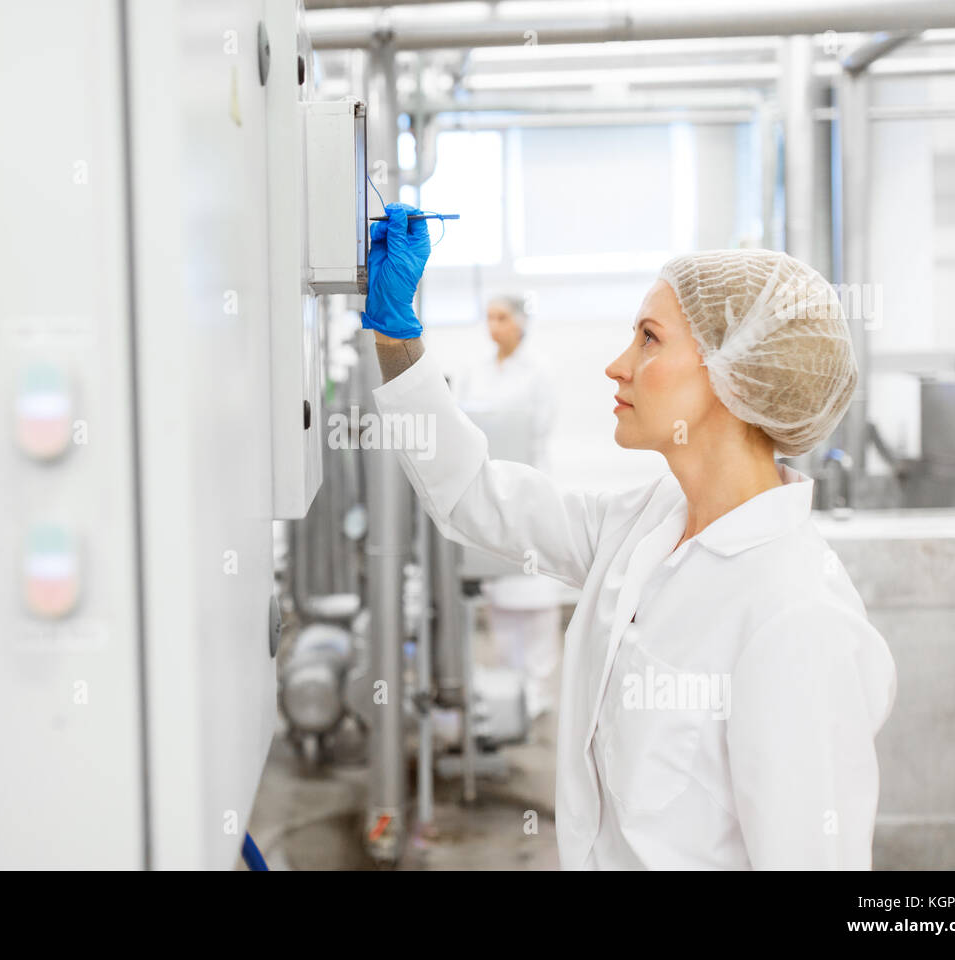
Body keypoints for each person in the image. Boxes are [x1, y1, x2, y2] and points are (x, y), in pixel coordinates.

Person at [360, 202, 897, 869]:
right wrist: (397, 337)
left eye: (649, 338)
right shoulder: (647, 523)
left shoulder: (796, 616)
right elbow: (476, 498)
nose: (617, 365)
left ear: (734, 372)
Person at [454, 295, 562, 720]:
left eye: (501, 318)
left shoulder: (538, 370)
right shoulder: (477, 372)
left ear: (519, 322)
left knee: (534, 585)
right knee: (499, 584)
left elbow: (541, 426)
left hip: (530, 485)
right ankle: (507, 682)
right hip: (492, 488)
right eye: (489, 317)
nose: (493, 325)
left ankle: (536, 685)